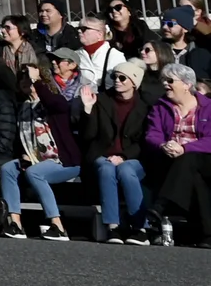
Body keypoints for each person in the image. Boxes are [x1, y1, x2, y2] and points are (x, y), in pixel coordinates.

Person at [0, 55, 87, 239]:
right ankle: (15, 223)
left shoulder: (57, 103)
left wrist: (37, 80)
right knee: (8, 168)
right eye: (22, 78)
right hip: (35, 160)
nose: (25, 81)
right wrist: (24, 155)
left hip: (64, 161)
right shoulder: (23, 106)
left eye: (28, 78)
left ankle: (58, 226)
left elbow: (53, 103)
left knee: (34, 173)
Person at [81, 60, 154, 242]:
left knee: (127, 170)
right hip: (102, 154)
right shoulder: (102, 100)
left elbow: (144, 141)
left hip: (132, 156)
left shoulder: (145, 106)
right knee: (106, 169)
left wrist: (123, 156)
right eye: (115, 76)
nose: (117, 80)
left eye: (123, 78)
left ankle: (140, 228)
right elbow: (88, 136)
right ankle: (113, 227)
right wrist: (88, 109)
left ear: (134, 82)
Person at [142, 63, 211, 246]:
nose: (165, 84)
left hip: (205, 159)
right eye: (164, 80)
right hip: (171, 160)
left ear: (187, 84)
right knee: (195, 178)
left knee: (189, 159)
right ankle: (207, 235)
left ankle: (161, 205)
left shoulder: (208, 107)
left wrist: (185, 148)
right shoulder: (161, 106)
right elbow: (152, 134)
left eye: (170, 80)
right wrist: (164, 145)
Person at [0, 15, 46, 95]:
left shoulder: (37, 52)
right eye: (2, 27)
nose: (3, 30)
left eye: (7, 28)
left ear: (22, 31)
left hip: (33, 94)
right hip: (7, 95)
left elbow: (46, 78)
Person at [78, 17, 127, 93]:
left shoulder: (115, 55)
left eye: (84, 29)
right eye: (78, 28)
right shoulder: (76, 55)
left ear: (99, 34)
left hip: (108, 100)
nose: (79, 31)